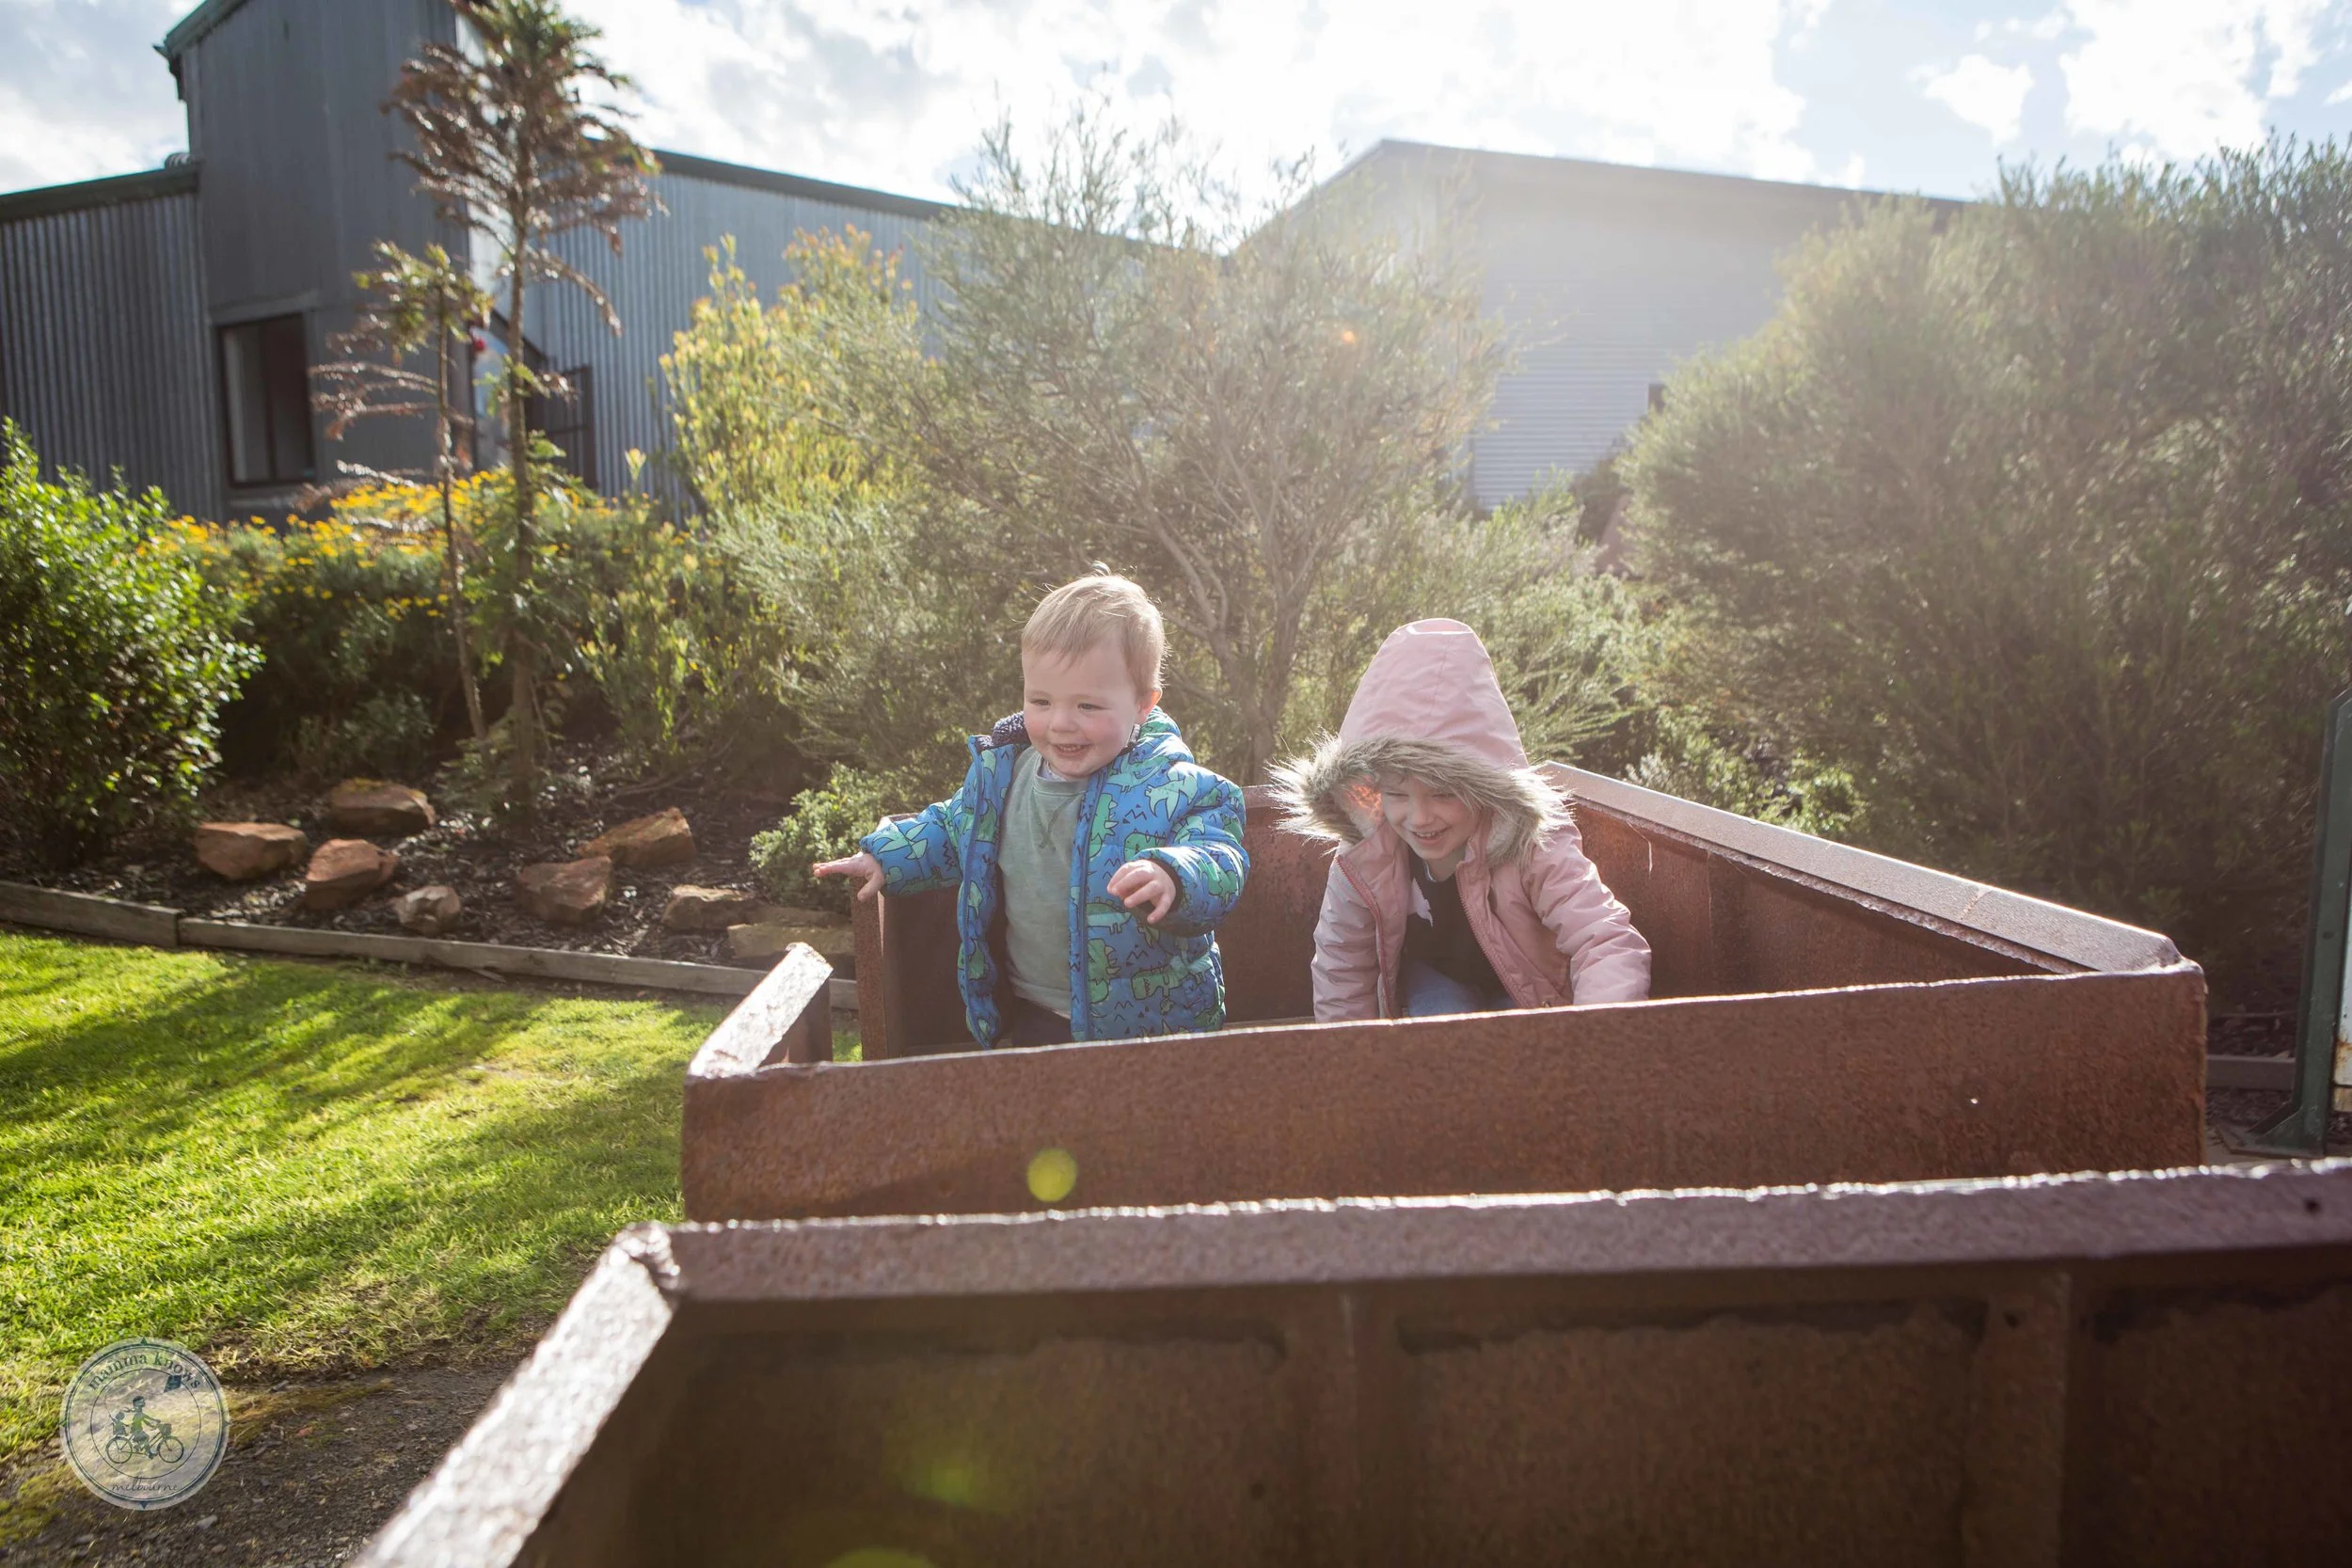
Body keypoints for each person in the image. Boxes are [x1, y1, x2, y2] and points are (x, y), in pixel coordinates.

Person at [815, 574, 1248, 1048]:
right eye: (1041, 701)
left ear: (1143, 704)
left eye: (1087, 705)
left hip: (1149, 1027)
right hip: (1031, 1013)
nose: (1061, 723)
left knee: (1138, 1123)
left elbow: (1220, 857)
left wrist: (1176, 874)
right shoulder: (1005, 774)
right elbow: (955, 828)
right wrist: (886, 856)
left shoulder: (1174, 785)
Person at [1270, 617, 1650, 1020]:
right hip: (1436, 981)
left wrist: (1594, 1040)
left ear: (1482, 786)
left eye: (1444, 793)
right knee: (1446, 1029)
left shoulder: (1531, 841)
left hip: (1531, 992)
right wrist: (1355, 1070)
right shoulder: (1366, 855)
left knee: (1515, 1044)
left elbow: (1605, 940)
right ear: (1376, 789)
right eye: (1397, 794)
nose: (1419, 817)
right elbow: (1342, 967)